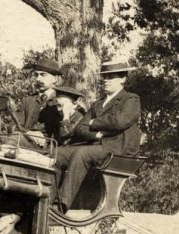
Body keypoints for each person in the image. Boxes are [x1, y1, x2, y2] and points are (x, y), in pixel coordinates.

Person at [53, 59, 142, 210]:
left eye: (111, 77)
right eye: (105, 77)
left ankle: (61, 205)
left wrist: (94, 123)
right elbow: (80, 128)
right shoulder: (98, 104)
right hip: (96, 145)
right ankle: (47, 199)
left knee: (82, 154)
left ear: (122, 79)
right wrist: (96, 135)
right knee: (56, 153)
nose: (106, 80)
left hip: (117, 148)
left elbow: (120, 121)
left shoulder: (131, 99)